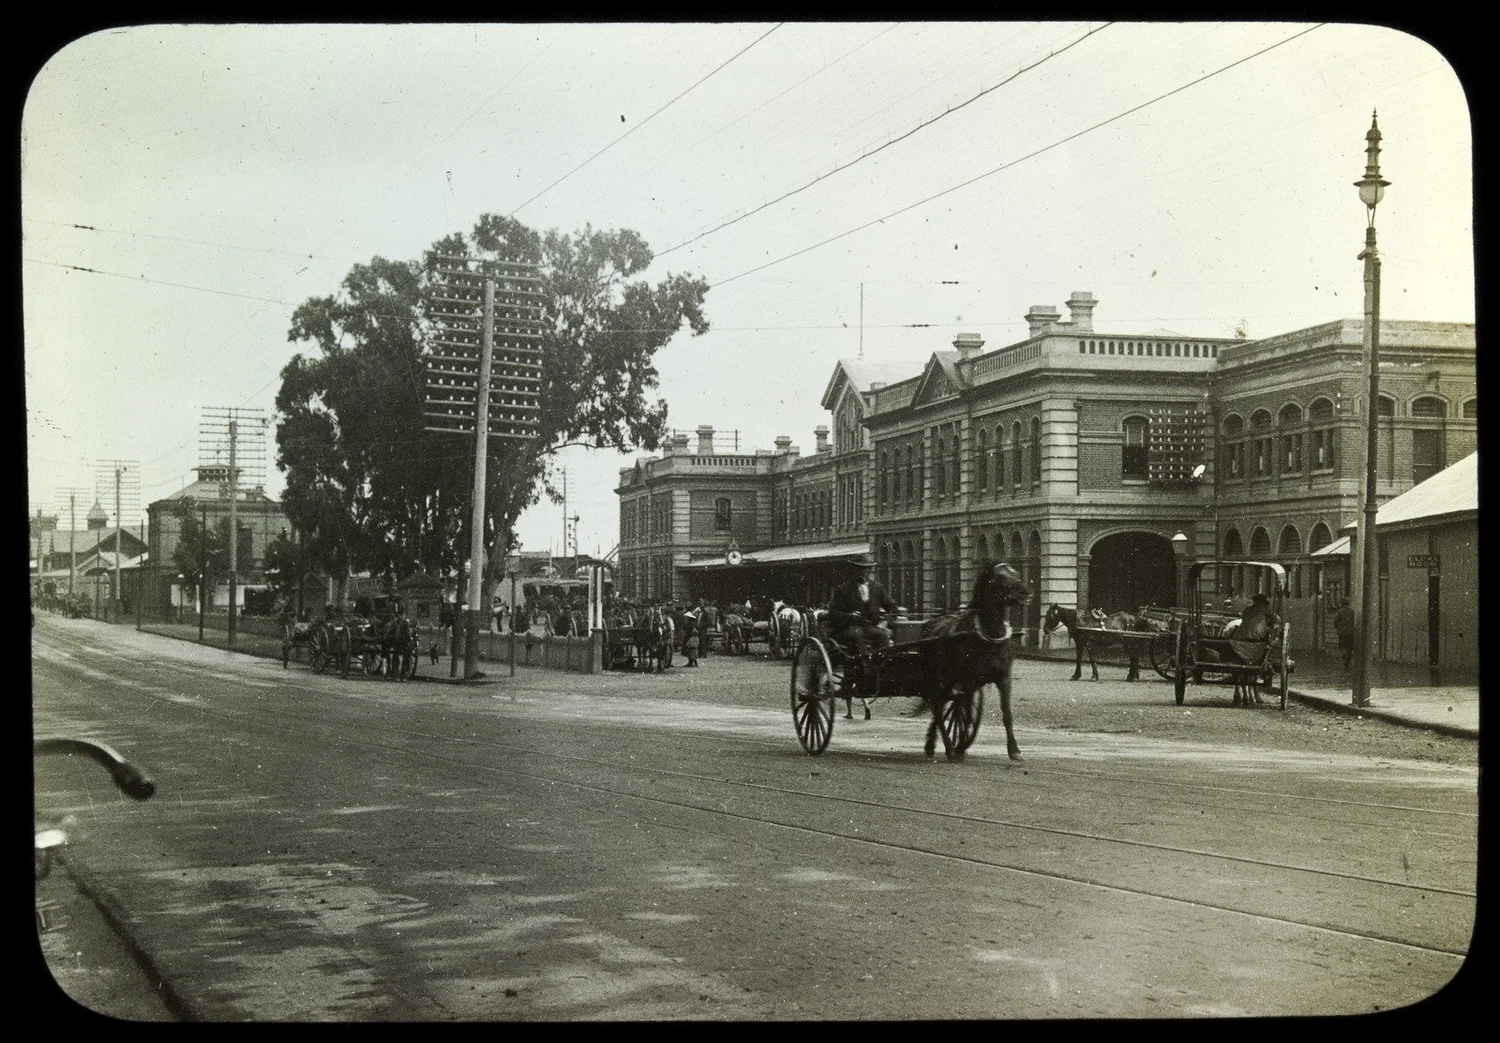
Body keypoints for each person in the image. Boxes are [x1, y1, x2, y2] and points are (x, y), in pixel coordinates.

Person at [827, 555, 896, 675]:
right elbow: (834, 613)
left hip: (869, 627)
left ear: (870, 570)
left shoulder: (877, 588)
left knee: (882, 635)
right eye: (860, 568)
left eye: (867, 568)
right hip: (848, 628)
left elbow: (891, 607)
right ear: (854, 569)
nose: (864, 572)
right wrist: (849, 616)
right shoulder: (843, 589)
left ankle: (879, 669)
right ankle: (863, 670)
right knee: (856, 635)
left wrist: (886, 621)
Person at [1333, 597, 1356, 671]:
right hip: (1350, 632)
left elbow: (1335, 620)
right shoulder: (1352, 611)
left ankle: (1344, 655)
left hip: (1342, 632)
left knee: (1342, 645)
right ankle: (1347, 661)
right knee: (1350, 647)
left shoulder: (1340, 611)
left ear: (1341, 604)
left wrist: (1337, 627)